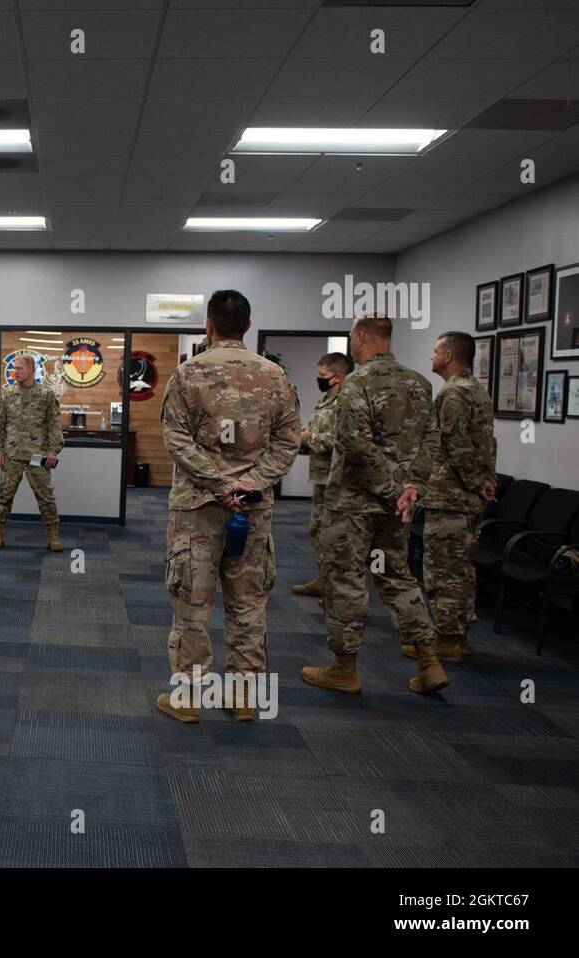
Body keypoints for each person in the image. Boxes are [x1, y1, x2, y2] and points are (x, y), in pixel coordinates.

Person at [156, 290, 301, 723]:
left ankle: (188, 699)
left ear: (209, 325)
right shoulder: (276, 376)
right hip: (252, 512)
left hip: (199, 509)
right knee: (248, 604)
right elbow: (289, 441)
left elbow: (176, 439)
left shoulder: (188, 374)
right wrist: (249, 484)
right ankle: (241, 697)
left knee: (193, 603)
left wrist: (219, 484)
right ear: (249, 327)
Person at [303, 314, 450, 696]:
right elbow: (431, 442)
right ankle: (428, 661)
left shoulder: (357, 383)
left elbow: (354, 444)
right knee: (397, 576)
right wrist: (408, 489)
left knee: (347, 580)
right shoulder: (419, 383)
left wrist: (389, 489)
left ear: (363, 336)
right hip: (396, 507)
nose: (352, 343)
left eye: (353, 336)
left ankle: (344, 668)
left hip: (354, 504)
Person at [400, 331, 497, 662]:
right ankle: (456, 636)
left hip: (452, 497)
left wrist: (474, 482)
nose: (431, 356)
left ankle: (447, 639)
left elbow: (455, 446)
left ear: (450, 356)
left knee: (443, 571)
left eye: (436, 351)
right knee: (461, 569)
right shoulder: (475, 390)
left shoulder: (454, 395)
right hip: (463, 498)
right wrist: (482, 482)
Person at [0, 354, 64, 551]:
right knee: (4, 495)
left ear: (31, 369)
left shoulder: (46, 394)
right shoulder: (7, 394)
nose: (15, 372)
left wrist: (53, 451)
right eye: (14, 368)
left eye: (20, 368)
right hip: (12, 454)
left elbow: (54, 425)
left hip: (37, 456)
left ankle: (53, 535)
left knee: (46, 496)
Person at [291, 352, 349, 596]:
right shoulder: (325, 401)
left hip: (338, 480)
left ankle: (338, 584)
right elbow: (318, 434)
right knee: (317, 530)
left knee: (335, 534)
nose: (319, 379)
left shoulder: (346, 403)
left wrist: (308, 437)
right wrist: (306, 436)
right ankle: (323, 578)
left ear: (337, 377)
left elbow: (340, 440)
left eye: (322, 376)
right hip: (321, 478)